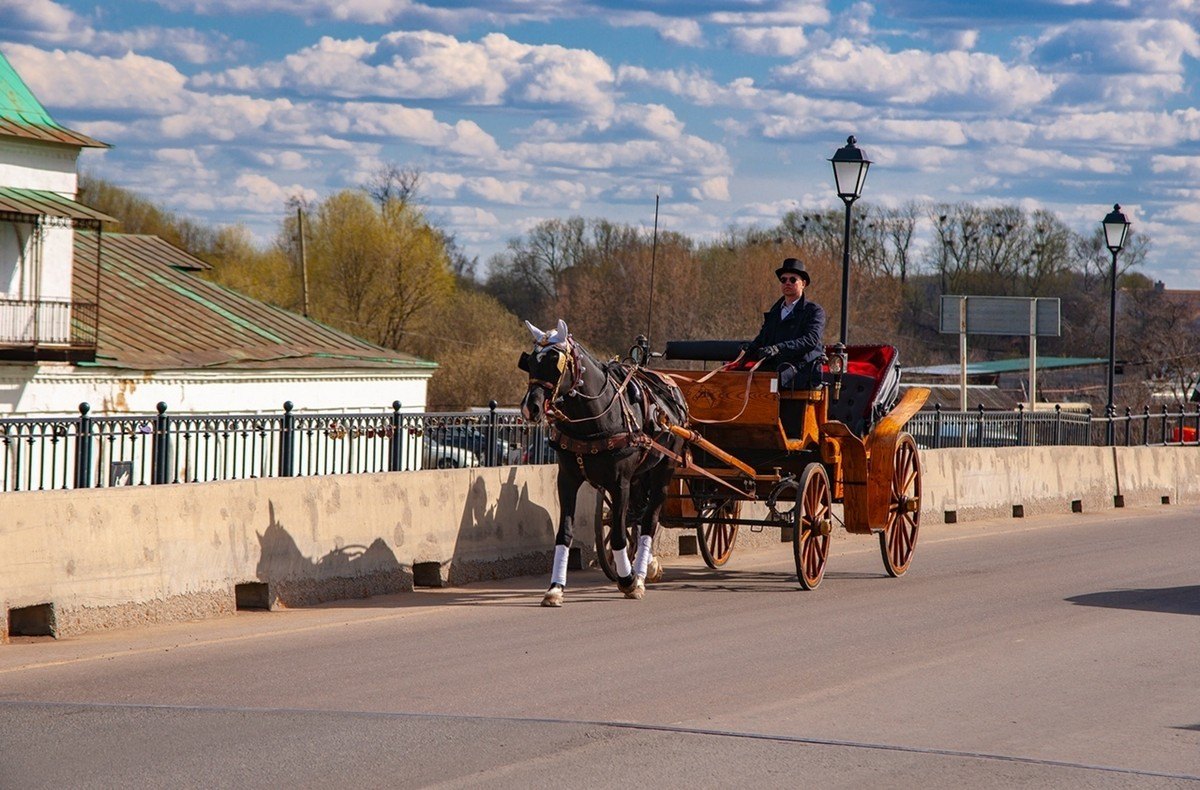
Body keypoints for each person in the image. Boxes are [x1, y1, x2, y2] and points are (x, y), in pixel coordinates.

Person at [744, 258, 827, 389]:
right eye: (783, 280)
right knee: (739, 378)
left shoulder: (814, 311)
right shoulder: (775, 312)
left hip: (800, 370)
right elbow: (762, 339)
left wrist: (778, 348)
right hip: (774, 367)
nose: (787, 283)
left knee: (770, 382)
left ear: (803, 284)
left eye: (793, 280)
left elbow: (811, 340)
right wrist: (746, 351)